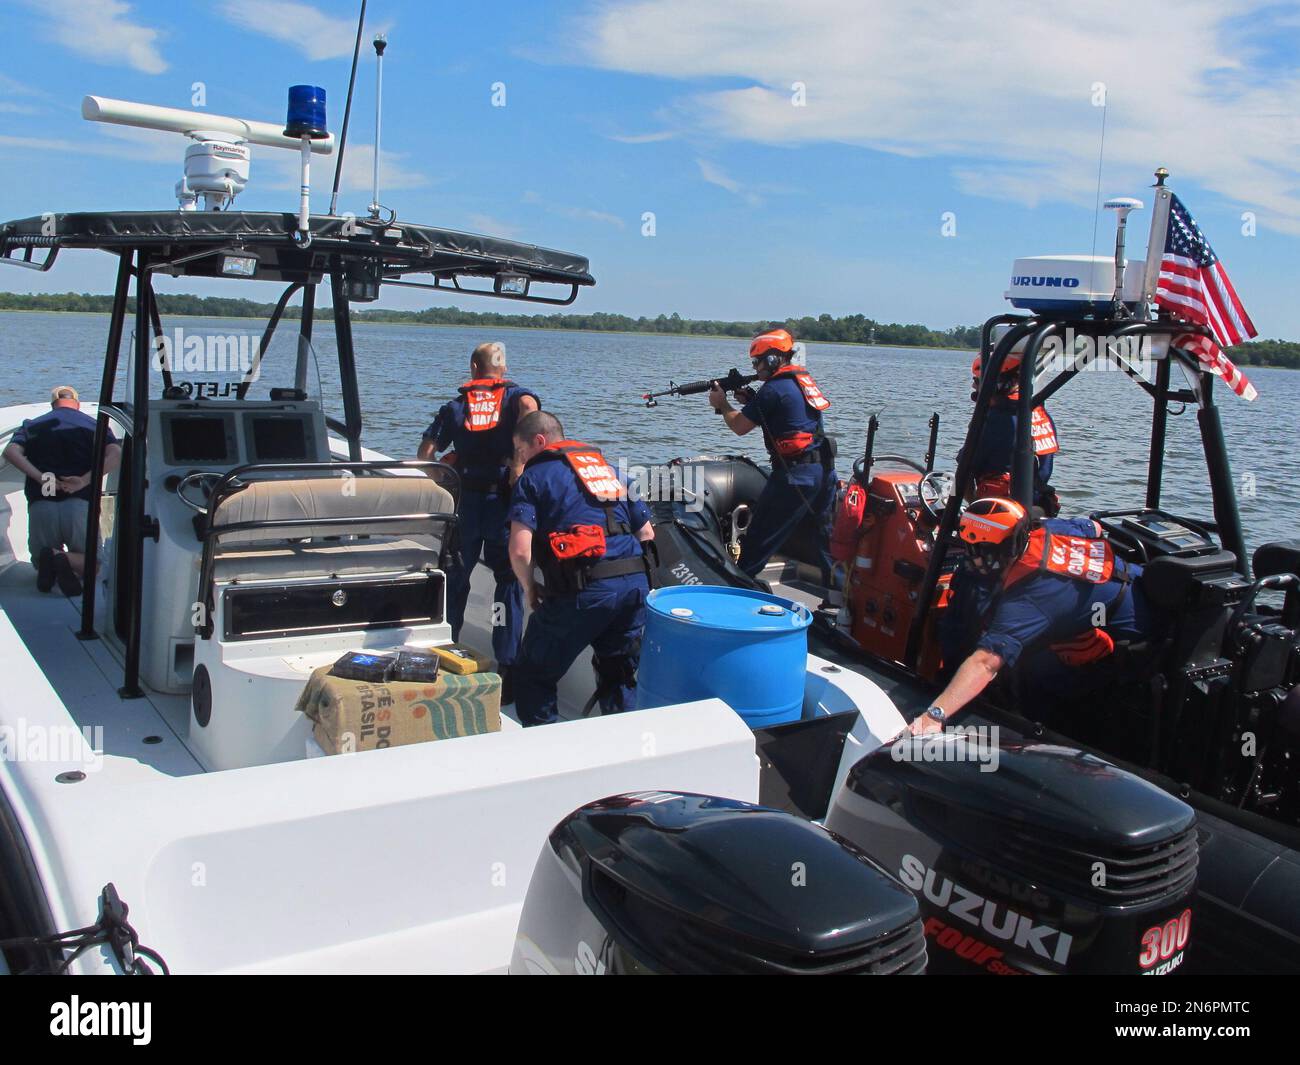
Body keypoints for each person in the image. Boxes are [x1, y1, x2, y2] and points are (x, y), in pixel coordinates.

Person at [913, 497, 1157, 735]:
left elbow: (985, 662)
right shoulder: (1047, 529)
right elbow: (1093, 527)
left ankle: (1037, 724)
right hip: (1134, 589)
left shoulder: (1030, 598)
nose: (970, 556)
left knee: (1029, 665)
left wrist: (933, 716)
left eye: (974, 549)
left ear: (997, 551)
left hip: (1126, 638)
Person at [507, 410, 655, 727]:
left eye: (520, 450)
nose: (520, 459)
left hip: (583, 591)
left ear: (539, 441)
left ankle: (547, 749)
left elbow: (520, 550)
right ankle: (625, 743)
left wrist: (530, 589)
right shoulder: (611, 470)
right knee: (619, 674)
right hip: (634, 588)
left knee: (533, 674)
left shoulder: (532, 478)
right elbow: (646, 533)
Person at [418, 342, 538, 698]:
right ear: (504, 368)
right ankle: (507, 664)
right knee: (506, 585)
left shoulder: (456, 407)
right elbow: (530, 408)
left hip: (467, 504)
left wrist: (442, 477)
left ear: (474, 367)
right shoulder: (516, 399)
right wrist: (518, 464)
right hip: (503, 504)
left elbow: (426, 454)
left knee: (458, 579)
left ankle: (448, 648)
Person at [707, 328, 838, 585]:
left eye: (757, 362)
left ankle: (739, 588)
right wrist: (752, 400)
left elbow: (740, 426)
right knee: (824, 538)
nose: (755, 368)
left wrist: (722, 404)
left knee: (759, 537)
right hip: (823, 473)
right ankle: (836, 594)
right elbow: (787, 417)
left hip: (795, 477)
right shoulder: (799, 382)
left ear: (773, 359)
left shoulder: (772, 389)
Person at [2, 385, 120, 596]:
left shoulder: (32, 425)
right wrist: (84, 480)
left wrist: (40, 477)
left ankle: (54, 560)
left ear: (53, 404)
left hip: (42, 502)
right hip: (78, 503)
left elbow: (11, 452)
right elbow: (115, 454)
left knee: (40, 562)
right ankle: (61, 557)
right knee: (92, 565)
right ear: (77, 403)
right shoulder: (93, 425)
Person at [964, 354, 1060, 515]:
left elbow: (965, 472)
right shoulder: (1041, 415)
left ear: (998, 383)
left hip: (1001, 512)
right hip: (1036, 505)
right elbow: (1045, 468)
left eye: (977, 380)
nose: (974, 386)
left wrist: (971, 503)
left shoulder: (996, 420)